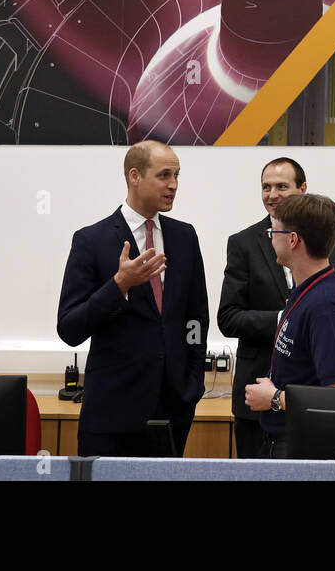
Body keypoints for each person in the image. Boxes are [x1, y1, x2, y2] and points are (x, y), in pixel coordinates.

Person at [57, 141, 210, 457]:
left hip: (173, 409)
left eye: (177, 175)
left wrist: (193, 380)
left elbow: (196, 317)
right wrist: (119, 284)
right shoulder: (91, 240)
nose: (174, 185)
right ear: (135, 176)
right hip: (112, 411)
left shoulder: (185, 236)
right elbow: (69, 328)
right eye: (164, 175)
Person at [219, 157, 335, 458]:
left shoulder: (324, 303)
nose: (270, 238)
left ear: (293, 239)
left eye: (276, 233)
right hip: (272, 419)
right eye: (266, 187)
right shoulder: (302, 293)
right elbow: (229, 317)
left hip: (297, 431)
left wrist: (276, 398)